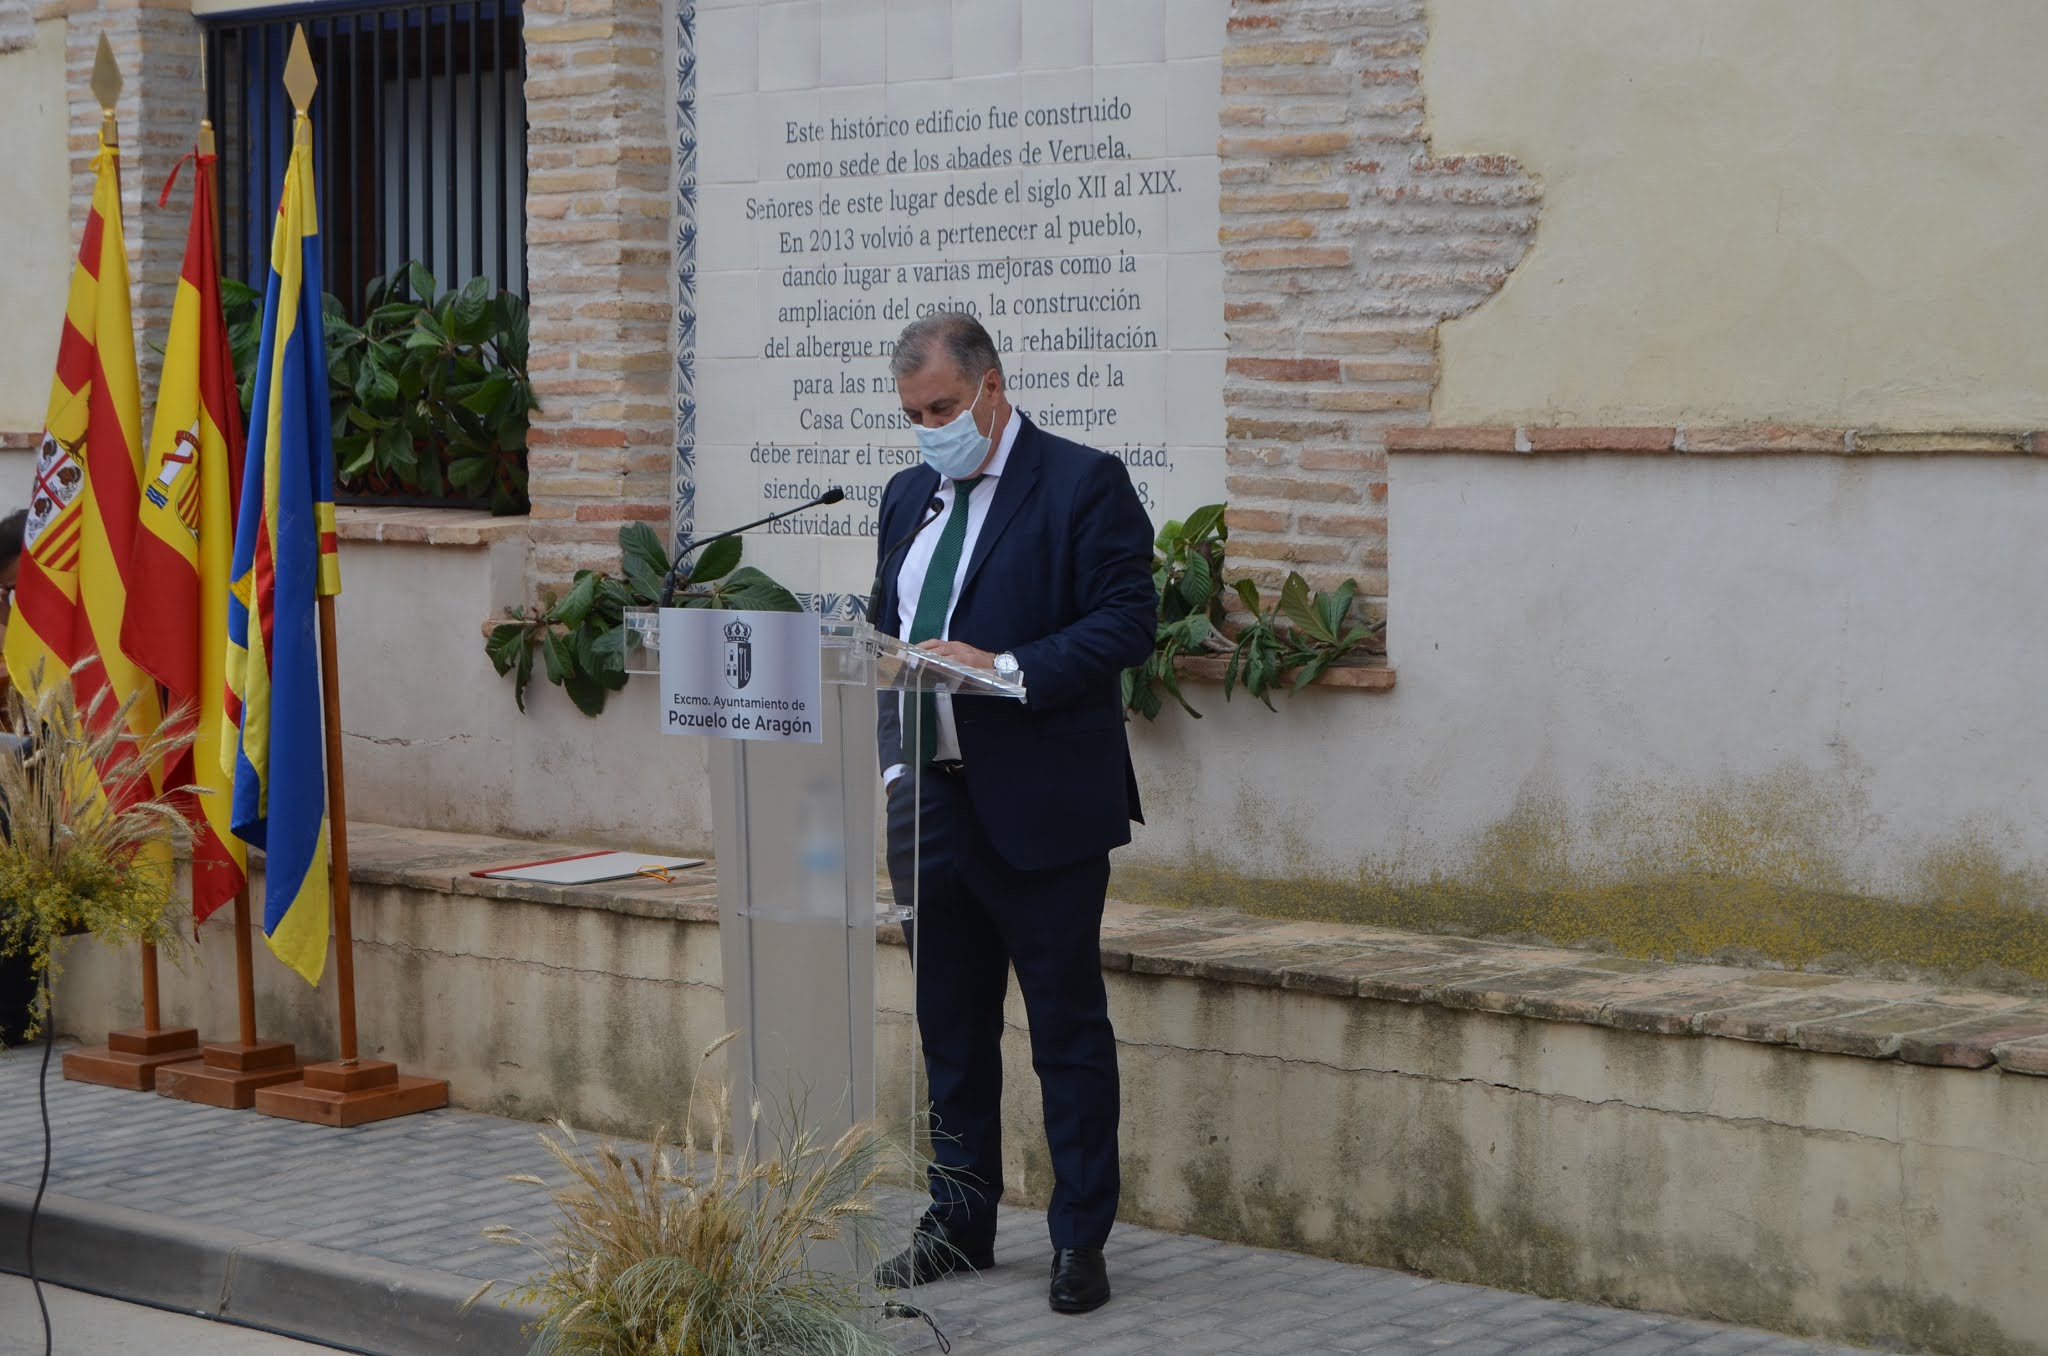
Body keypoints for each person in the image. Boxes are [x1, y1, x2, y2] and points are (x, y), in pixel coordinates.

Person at [869, 312, 1156, 1315]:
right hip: (929, 804)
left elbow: (1127, 621)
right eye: (912, 414)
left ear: (990, 387)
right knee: (948, 1028)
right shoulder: (906, 495)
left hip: (1041, 806)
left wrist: (1004, 668)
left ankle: (1079, 1239)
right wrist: (893, 778)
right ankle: (957, 1221)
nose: (928, 428)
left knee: (1064, 1032)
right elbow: (880, 640)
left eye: (942, 407)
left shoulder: (1081, 482)